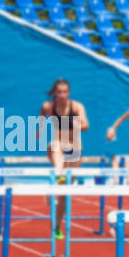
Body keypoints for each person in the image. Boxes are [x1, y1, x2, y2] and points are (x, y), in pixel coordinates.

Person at [41, 78, 90, 236]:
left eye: (65, 92)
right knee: (56, 147)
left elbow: (86, 125)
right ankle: (56, 176)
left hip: (75, 149)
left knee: (64, 193)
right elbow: (42, 117)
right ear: (54, 93)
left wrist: (74, 125)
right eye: (59, 92)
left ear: (68, 93)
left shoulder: (76, 107)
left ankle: (56, 225)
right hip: (57, 147)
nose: (62, 95)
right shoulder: (48, 107)